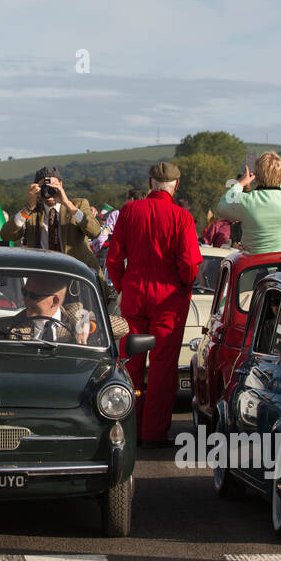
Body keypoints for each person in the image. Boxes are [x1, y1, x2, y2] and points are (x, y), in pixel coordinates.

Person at [105, 161, 202, 445]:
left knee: (131, 362)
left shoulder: (129, 211)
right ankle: (154, 432)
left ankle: (128, 428)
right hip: (169, 299)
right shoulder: (182, 217)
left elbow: (113, 258)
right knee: (163, 367)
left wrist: (125, 285)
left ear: (150, 184)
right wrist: (184, 284)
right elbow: (189, 264)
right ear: (176, 185)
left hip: (135, 292)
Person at [0, 166, 101, 269]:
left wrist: (68, 204)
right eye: (44, 187)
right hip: (46, 275)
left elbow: (95, 232)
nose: (49, 191)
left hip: (77, 273)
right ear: (36, 188)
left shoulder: (78, 204)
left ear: (61, 185)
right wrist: (29, 207)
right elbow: (6, 235)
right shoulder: (31, 211)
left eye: (53, 186)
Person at [215, 152, 281, 254]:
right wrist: (276, 177)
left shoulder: (246, 200)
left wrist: (240, 183)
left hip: (255, 264)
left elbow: (221, 207)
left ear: (256, 176)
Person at [0, 273, 91, 344]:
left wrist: (85, 323)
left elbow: (92, 316)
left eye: (34, 296)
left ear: (55, 301)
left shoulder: (75, 313)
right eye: (24, 292)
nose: (26, 300)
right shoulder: (13, 327)